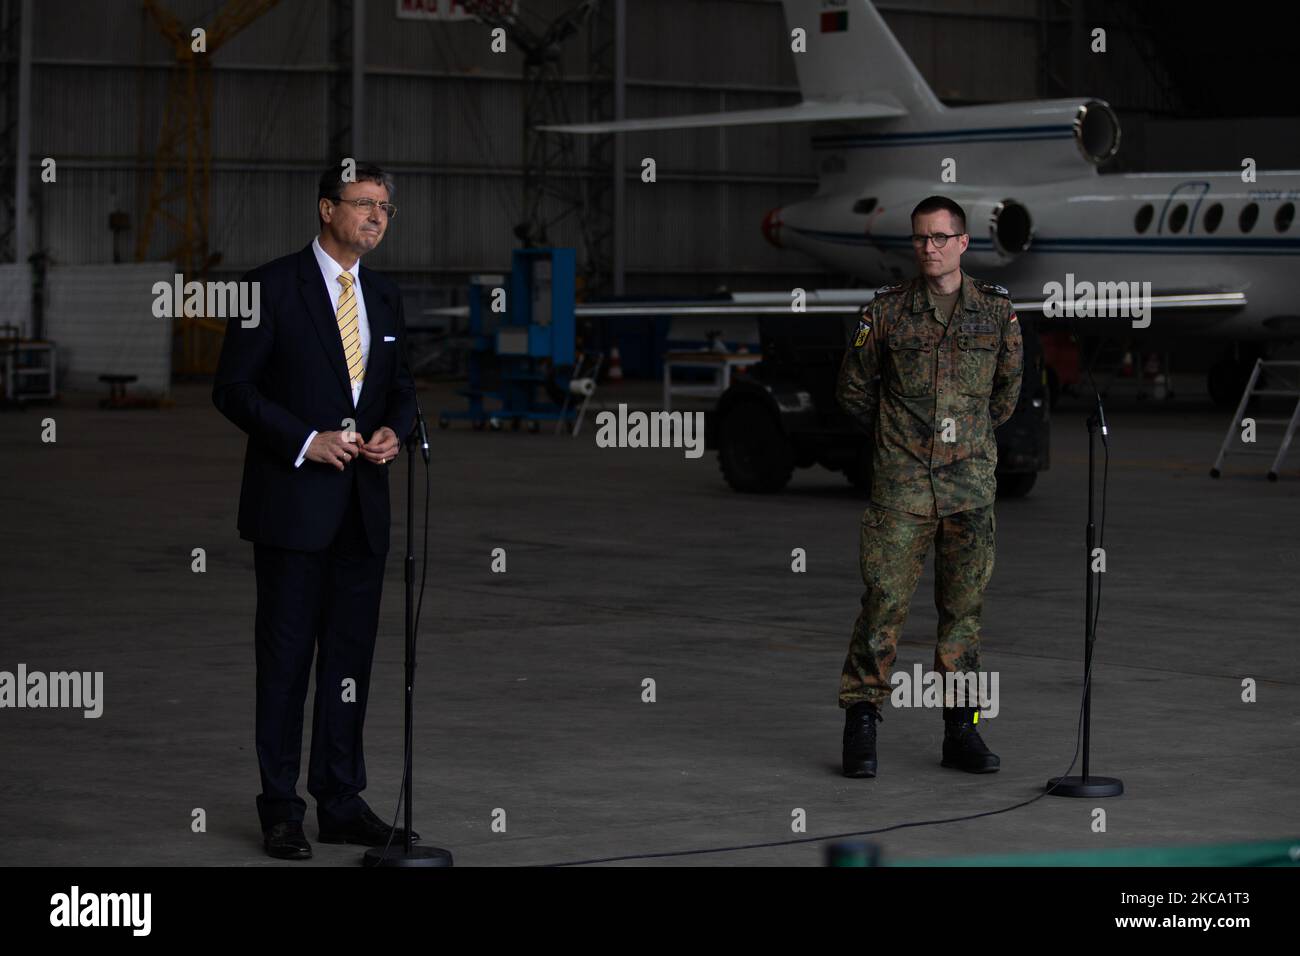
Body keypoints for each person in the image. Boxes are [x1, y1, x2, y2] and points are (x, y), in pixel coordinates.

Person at [213, 163, 420, 858]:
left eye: (386, 209)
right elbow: (232, 388)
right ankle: (280, 808)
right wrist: (305, 440)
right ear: (327, 209)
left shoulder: (386, 298)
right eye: (365, 205)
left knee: (349, 665)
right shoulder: (266, 288)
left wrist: (397, 429)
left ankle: (339, 798)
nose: (377, 218)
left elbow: (401, 392)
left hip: (363, 513)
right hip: (292, 510)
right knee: (286, 662)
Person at [835, 195, 1023, 778]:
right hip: (903, 488)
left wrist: (963, 443)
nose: (929, 247)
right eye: (920, 238)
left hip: (969, 488)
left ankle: (961, 731)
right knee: (884, 606)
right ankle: (861, 722)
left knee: (964, 614)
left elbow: (1006, 393)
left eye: (941, 237)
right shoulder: (886, 312)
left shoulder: (995, 312)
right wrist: (902, 444)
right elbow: (854, 390)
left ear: (964, 243)